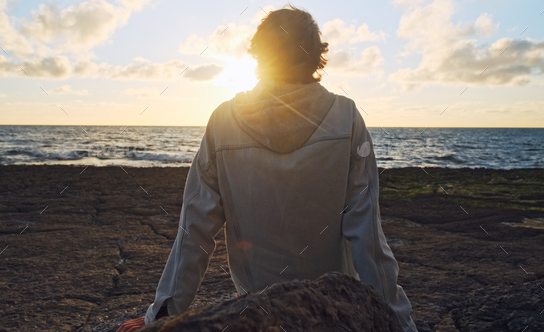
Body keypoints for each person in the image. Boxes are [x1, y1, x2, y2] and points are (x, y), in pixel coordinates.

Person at [117, 4, 418, 332]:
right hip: (330, 309)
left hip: (257, 309)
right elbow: (368, 238)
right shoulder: (345, 118)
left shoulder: (224, 121)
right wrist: (399, 322)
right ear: (316, 55)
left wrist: (161, 316)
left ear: (259, 54)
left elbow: (195, 231)